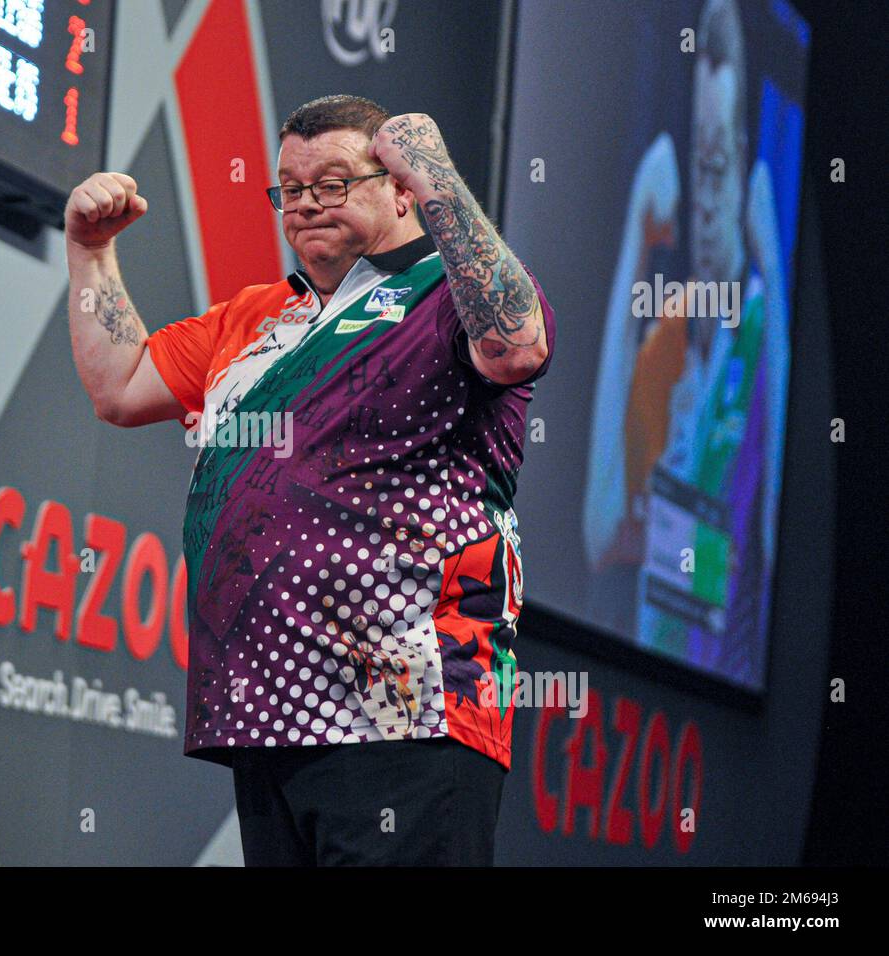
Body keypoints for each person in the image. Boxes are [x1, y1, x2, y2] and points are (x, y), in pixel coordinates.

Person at [65, 94, 555, 865]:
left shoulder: (446, 293)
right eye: (290, 189)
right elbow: (119, 386)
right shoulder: (256, 318)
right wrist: (90, 251)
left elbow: (515, 346)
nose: (306, 205)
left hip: (410, 711)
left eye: (333, 183)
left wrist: (433, 166)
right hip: (268, 712)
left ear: (399, 187)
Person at [582, 0, 787, 684]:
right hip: (649, 715)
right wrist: (635, 246)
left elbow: (767, 539)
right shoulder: (667, 335)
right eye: (699, 167)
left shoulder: (764, 336)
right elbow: (602, 529)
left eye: (721, 167)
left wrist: (778, 281)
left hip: (724, 721)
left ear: (747, 180)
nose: (704, 199)